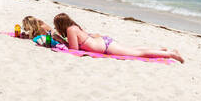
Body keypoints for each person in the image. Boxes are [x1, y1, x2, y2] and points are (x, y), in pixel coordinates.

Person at [50, 12, 185, 62]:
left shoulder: (70, 30)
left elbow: (74, 50)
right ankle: (162, 51)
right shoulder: (74, 26)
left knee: (138, 53)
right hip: (104, 42)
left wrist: (61, 41)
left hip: (105, 47)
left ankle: (170, 54)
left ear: (60, 25)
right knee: (133, 50)